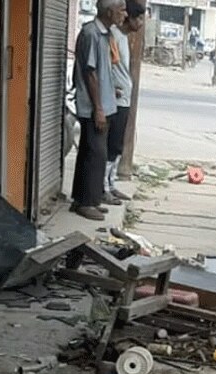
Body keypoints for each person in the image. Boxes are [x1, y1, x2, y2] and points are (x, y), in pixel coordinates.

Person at [70, 0, 126, 221]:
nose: (124, 14)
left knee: (88, 152)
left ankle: (82, 199)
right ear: (109, 11)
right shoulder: (92, 34)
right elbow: (91, 74)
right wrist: (99, 108)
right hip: (93, 107)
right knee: (96, 154)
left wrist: (113, 91)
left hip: (102, 102)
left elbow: (102, 71)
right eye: (121, 9)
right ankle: (87, 202)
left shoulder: (104, 34)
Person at [104, 0, 145, 206]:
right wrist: (113, 88)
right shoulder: (114, 37)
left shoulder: (124, 38)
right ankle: (104, 187)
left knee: (117, 144)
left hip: (124, 98)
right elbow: (107, 66)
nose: (140, 23)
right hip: (117, 99)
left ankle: (110, 184)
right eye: (138, 18)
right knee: (112, 145)